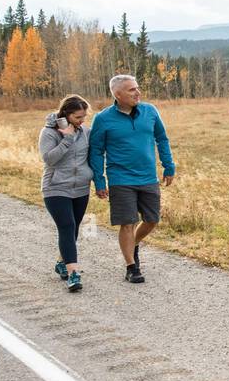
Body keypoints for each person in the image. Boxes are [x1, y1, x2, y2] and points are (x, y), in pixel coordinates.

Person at [88, 74, 177, 285]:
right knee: (127, 223)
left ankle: (133, 245)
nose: (137, 92)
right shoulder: (103, 118)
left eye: (137, 88)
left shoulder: (150, 111)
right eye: (131, 90)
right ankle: (131, 267)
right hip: (120, 179)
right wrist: (99, 181)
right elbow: (96, 151)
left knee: (152, 220)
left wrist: (169, 165)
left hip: (148, 177)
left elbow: (162, 138)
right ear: (117, 94)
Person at [39, 94, 93, 293]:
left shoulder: (85, 131)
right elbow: (49, 159)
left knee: (74, 228)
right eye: (78, 117)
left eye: (84, 117)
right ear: (66, 115)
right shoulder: (49, 133)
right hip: (56, 187)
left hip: (80, 187)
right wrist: (67, 139)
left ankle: (62, 262)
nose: (82, 121)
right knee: (67, 226)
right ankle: (73, 274)